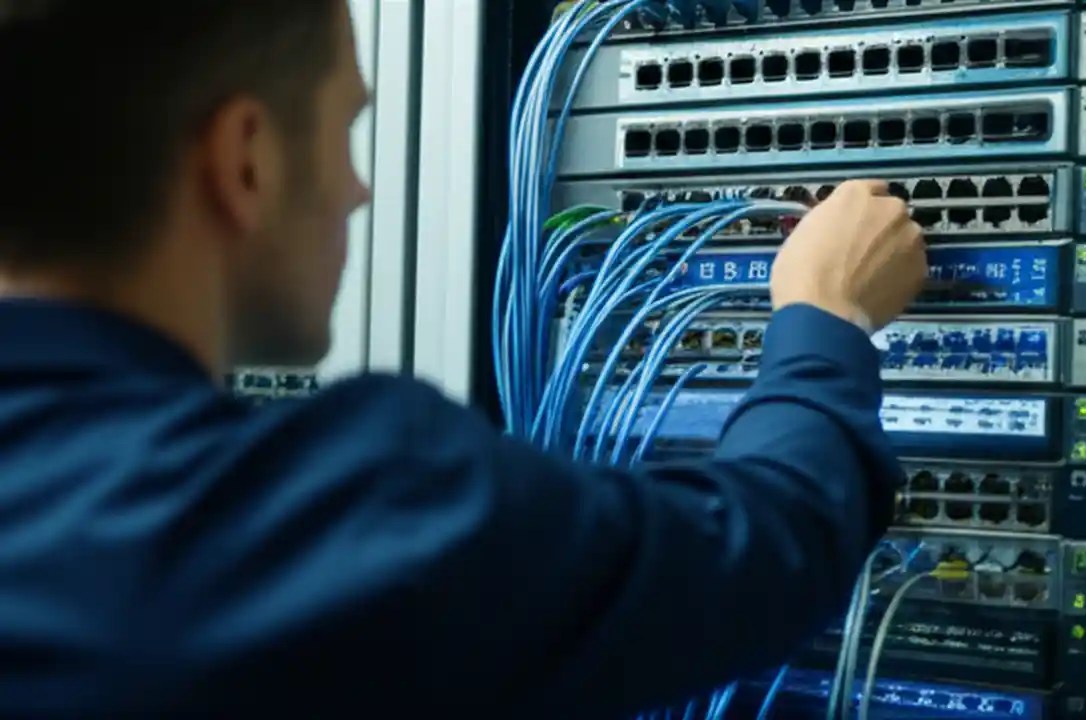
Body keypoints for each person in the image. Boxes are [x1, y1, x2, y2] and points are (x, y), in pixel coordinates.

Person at [0, 1, 926, 717]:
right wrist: (826, 312)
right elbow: (768, 548)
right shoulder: (315, 519)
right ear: (246, 160)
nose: (362, 188)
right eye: (346, 130)